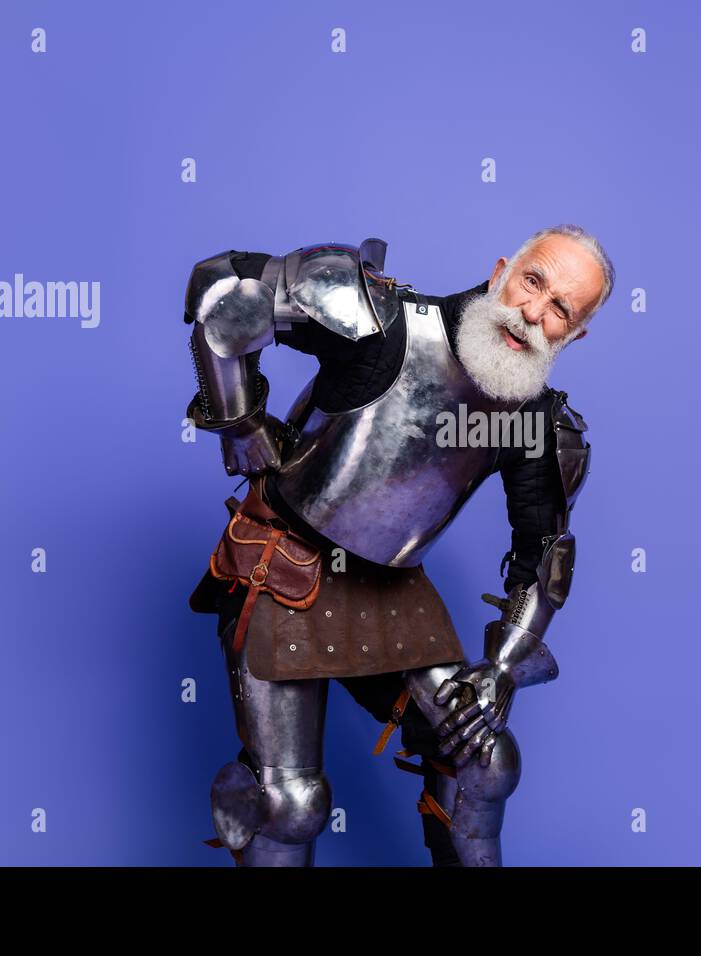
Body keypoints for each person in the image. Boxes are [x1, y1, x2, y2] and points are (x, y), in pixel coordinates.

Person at [184, 225, 612, 865]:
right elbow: (223, 295)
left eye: (561, 310)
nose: (533, 313)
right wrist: (241, 425)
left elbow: (544, 556)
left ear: (574, 335)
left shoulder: (534, 422)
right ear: (502, 270)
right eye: (534, 281)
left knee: (487, 762)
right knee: (293, 804)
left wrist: (499, 673)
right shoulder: (383, 322)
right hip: (284, 563)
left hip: (388, 586)